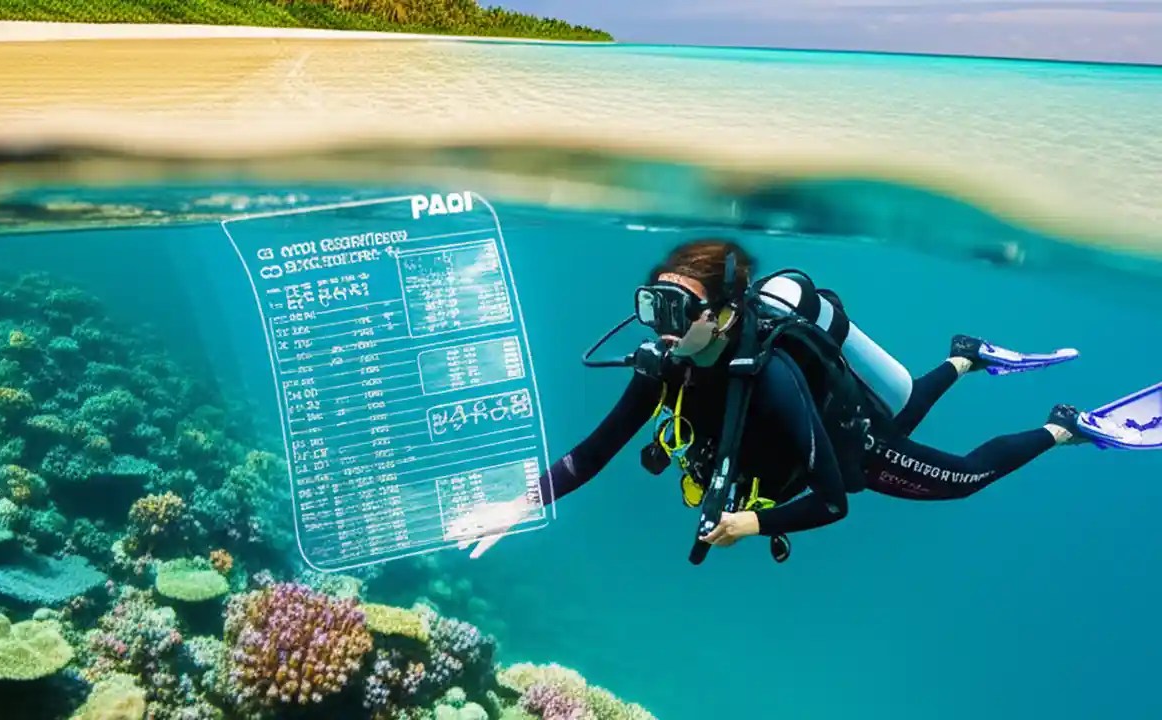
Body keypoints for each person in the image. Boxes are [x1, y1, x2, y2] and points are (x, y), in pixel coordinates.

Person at [446, 238, 1159, 559]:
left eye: (673, 311)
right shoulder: (663, 367)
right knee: (897, 407)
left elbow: (832, 502)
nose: (658, 329)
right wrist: (520, 504)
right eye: (650, 307)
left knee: (959, 477)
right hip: (812, 434)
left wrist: (751, 529)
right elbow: (593, 452)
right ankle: (964, 357)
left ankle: (1065, 426)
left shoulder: (774, 378)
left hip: (836, 452)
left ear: (722, 316)